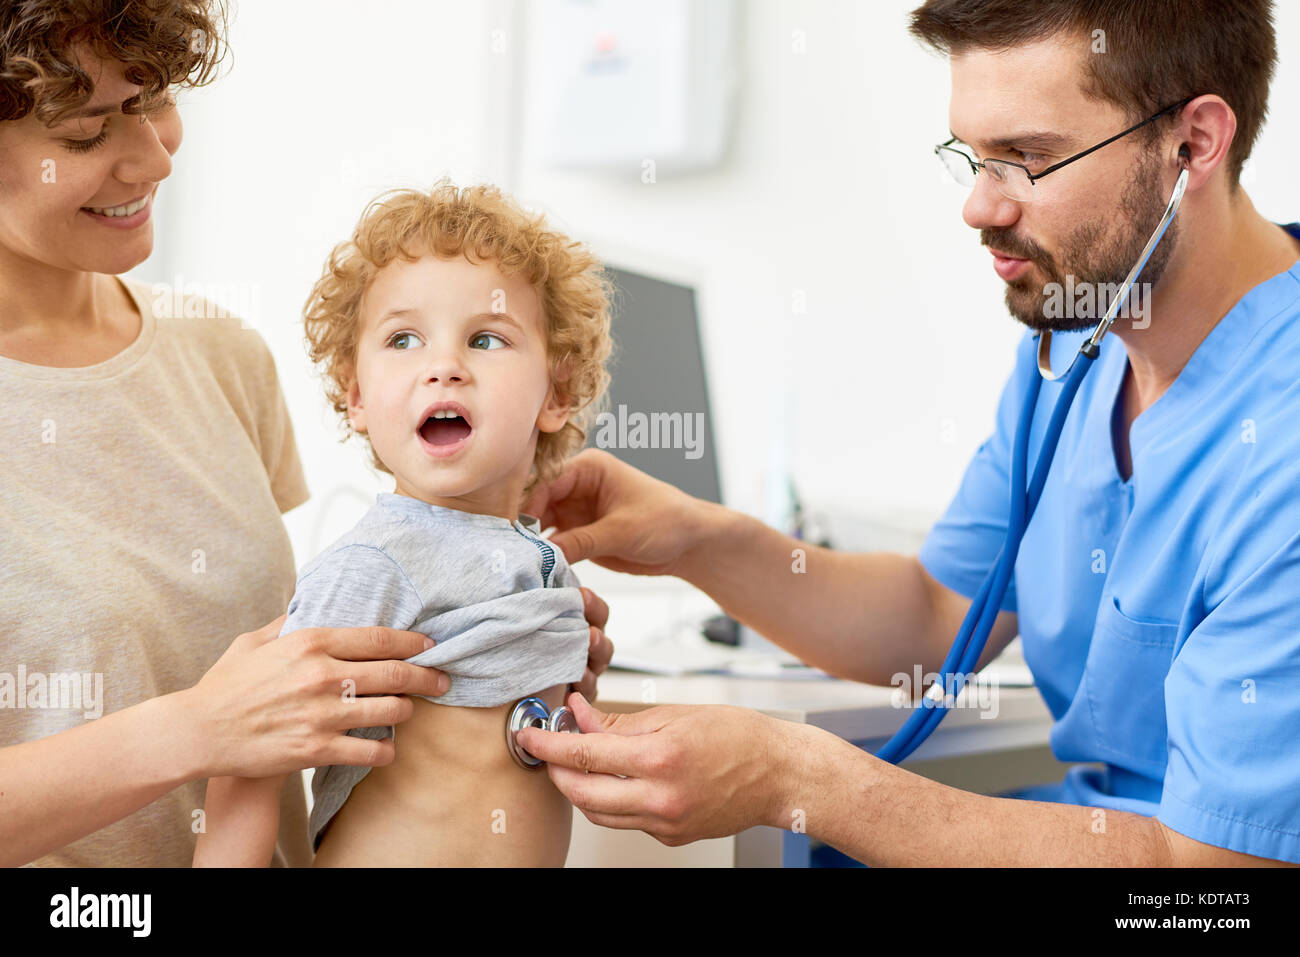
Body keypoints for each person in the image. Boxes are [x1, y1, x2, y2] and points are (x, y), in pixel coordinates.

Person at [516, 0, 1300, 866]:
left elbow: (1217, 882)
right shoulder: (1079, 343)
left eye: (1029, 158)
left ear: (1193, 144)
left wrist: (801, 778)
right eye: (973, 157)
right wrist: (696, 538)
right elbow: (936, 614)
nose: (977, 206)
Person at [0, 2, 613, 868]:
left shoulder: (219, 357)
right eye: (89, 129)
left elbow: (302, 685)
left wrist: (515, 660)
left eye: (154, 97)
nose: (153, 155)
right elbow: (244, 720)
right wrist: (195, 732)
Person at [194, 181, 614, 866]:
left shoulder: (543, 564)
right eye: (404, 339)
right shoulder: (374, 566)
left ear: (557, 393)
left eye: (485, 338)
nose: (443, 367)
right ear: (356, 396)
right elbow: (253, 754)